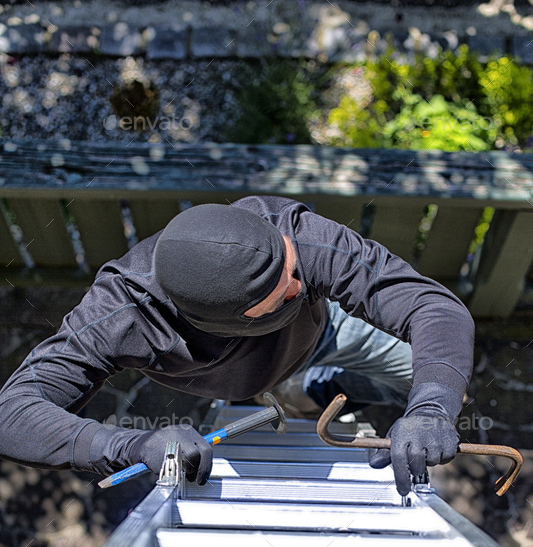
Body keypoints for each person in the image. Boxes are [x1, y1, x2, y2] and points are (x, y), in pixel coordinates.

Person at [0, 196, 474, 496]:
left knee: (431, 387)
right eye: (286, 292)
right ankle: (302, 393)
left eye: (294, 268)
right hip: (225, 383)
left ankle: (309, 388)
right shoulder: (120, 315)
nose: (303, 280)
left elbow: (435, 308)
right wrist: (132, 444)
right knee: (299, 396)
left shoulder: (292, 234)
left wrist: (431, 408)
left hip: (328, 335)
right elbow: (13, 412)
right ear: (228, 319)